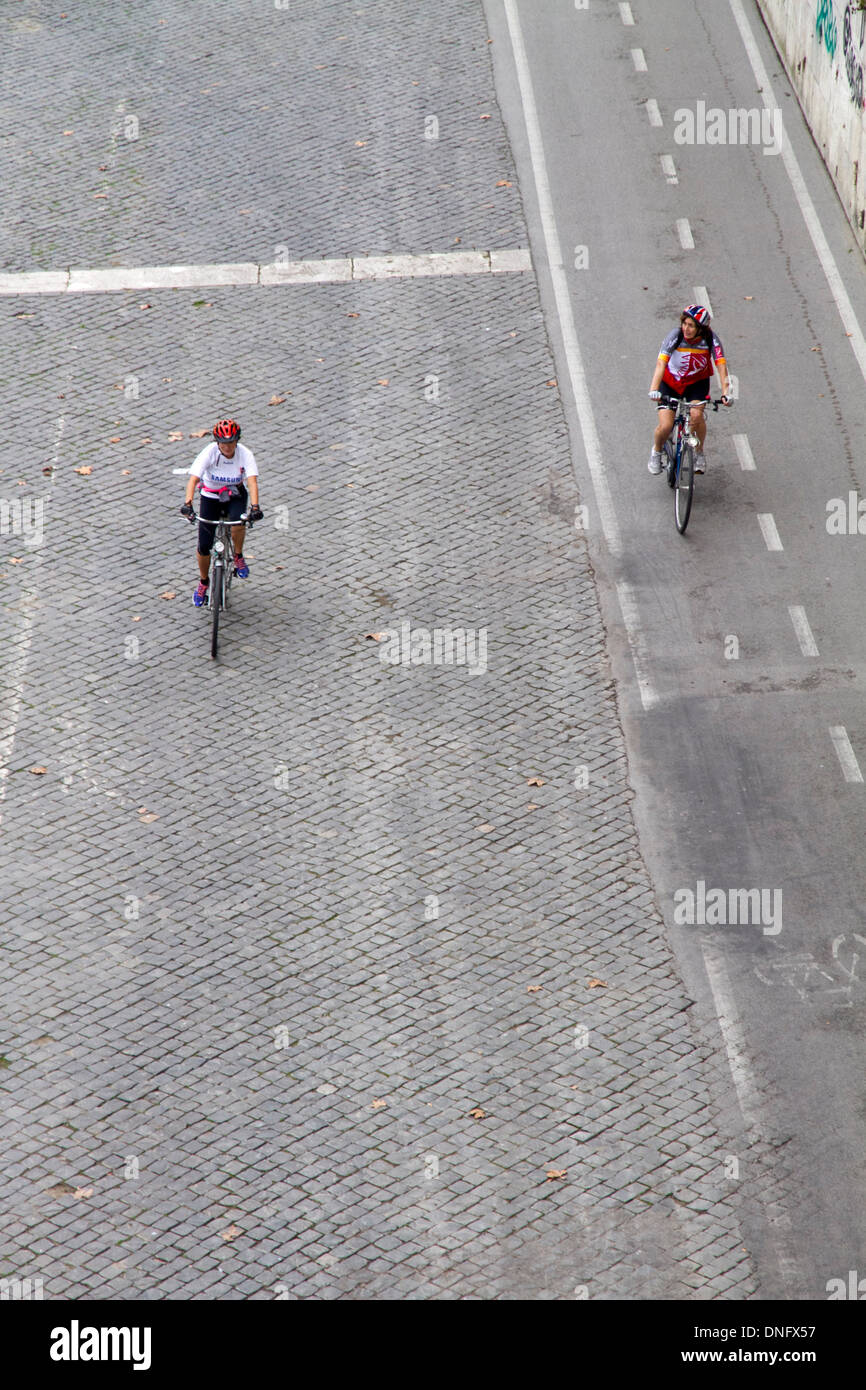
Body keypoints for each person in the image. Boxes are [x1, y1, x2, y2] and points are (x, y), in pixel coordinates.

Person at [180, 418, 263, 607]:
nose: (227, 447)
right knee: (204, 545)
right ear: (217, 442)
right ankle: (203, 582)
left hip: (235, 494)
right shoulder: (209, 453)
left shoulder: (245, 454)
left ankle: (238, 556)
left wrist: (255, 508)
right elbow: (193, 479)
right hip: (210, 496)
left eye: (231, 442)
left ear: (237, 441)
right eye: (224, 443)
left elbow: (252, 482)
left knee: (238, 522)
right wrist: (188, 504)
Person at [647, 305, 732, 475]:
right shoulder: (675, 336)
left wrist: (726, 392)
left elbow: (721, 365)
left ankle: (698, 453)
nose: (686, 328)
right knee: (665, 426)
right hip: (671, 383)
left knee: (697, 416)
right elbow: (661, 363)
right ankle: (656, 452)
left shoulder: (710, 339)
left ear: (701, 328)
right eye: (685, 323)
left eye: (691, 325)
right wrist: (654, 389)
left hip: (696, 383)